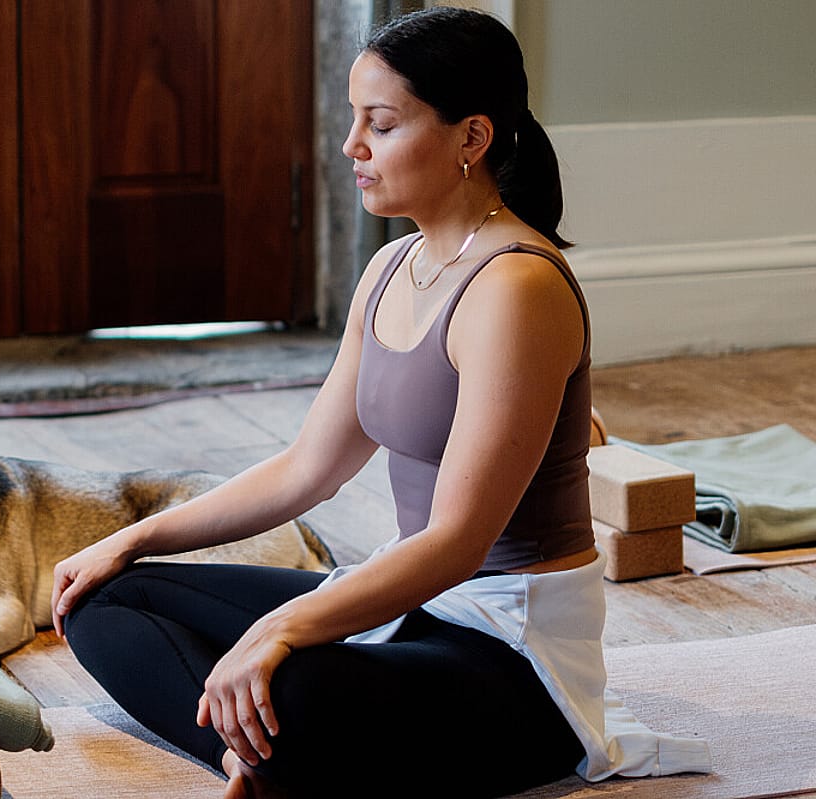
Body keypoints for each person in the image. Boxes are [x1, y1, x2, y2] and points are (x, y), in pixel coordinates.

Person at [51, 8, 710, 798]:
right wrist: (128, 540)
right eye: (352, 119)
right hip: (407, 605)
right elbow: (306, 469)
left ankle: (271, 746)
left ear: (473, 138)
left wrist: (279, 629)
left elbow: (459, 541)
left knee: (289, 686)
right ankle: (250, 756)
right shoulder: (393, 266)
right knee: (105, 601)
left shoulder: (518, 287)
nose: (351, 146)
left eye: (382, 124)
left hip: (509, 653)